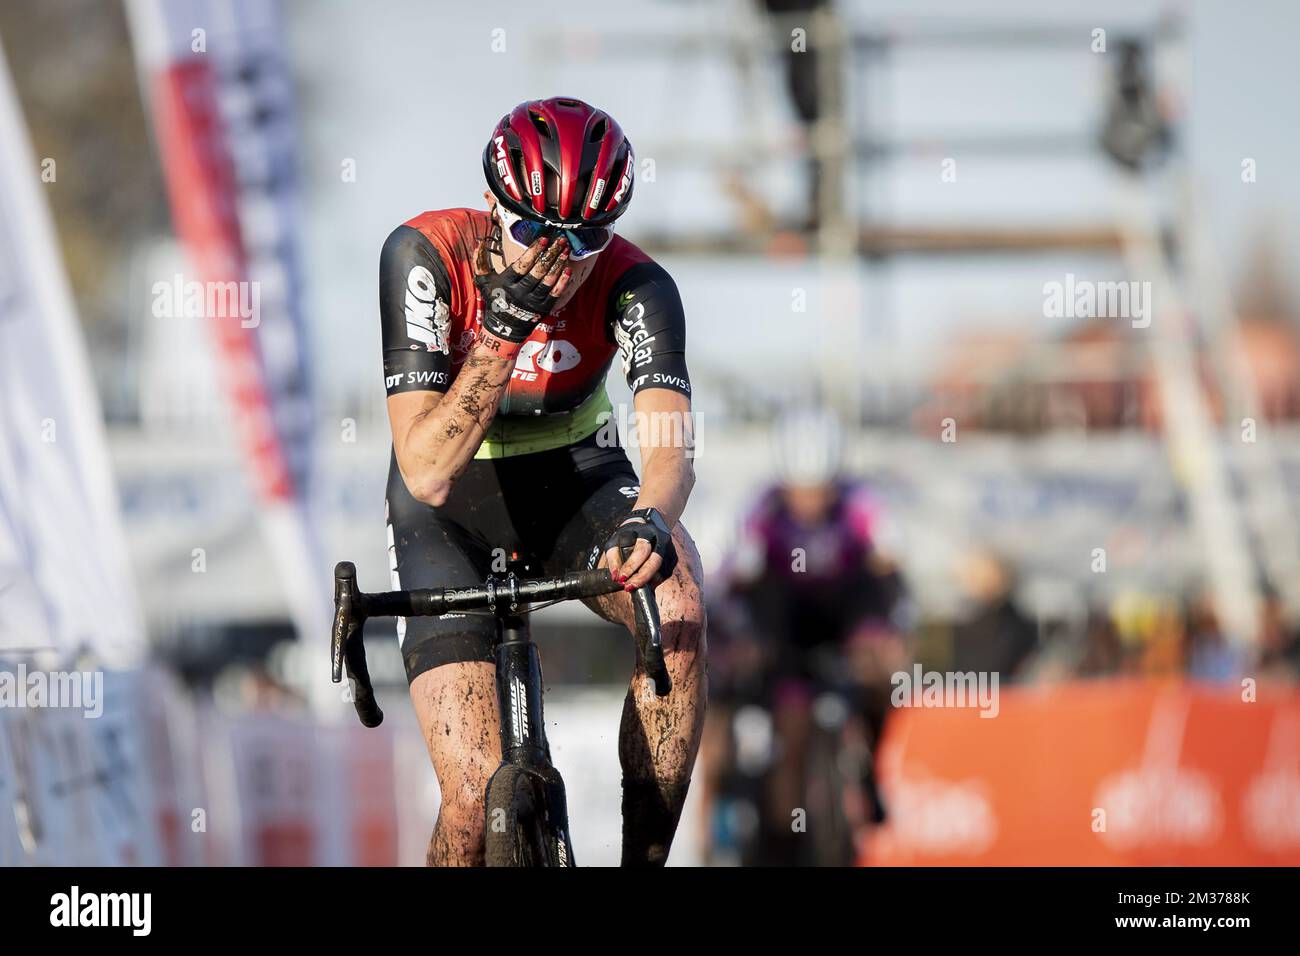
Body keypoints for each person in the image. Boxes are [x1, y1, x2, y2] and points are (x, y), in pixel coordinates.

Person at [379, 97, 705, 866]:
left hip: (577, 486)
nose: (558, 258)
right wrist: (499, 334)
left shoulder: (638, 285)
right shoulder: (426, 254)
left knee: (681, 596)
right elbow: (425, 472)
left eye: (586, 237)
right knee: (469, 796)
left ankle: (643, 859)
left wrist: (652, 519)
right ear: (492, 205)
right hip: (452, 510)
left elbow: (669, 446)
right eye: (533, 231)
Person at [704, 406, 907, 864]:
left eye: (821, 490)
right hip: (784, 629)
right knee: (790, 730)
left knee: (882, 673)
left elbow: (889, 572)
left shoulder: (860, 503)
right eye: (802, 491)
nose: (812, 502)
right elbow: (739, 584)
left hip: (845, 622)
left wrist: (886, 635)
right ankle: (779, 833)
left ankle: (870, 768)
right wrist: (744, 645)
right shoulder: (763, 509)